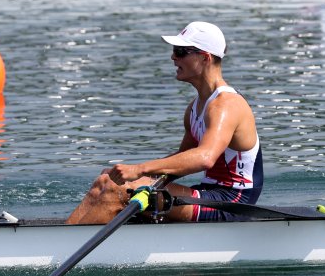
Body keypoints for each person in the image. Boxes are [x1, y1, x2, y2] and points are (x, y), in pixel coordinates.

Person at [66, 21, 263, 224]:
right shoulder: (194, 108)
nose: (173, 57)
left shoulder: (227, 105)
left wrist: (140, 170)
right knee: (106, 181)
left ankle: (65, 247)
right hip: (208, 193)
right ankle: (64, 238)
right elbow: (182, 160)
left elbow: (204, 158)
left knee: (116, 191)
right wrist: (138, 179)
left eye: (180, 51)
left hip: (232, 203)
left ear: (205, 57)